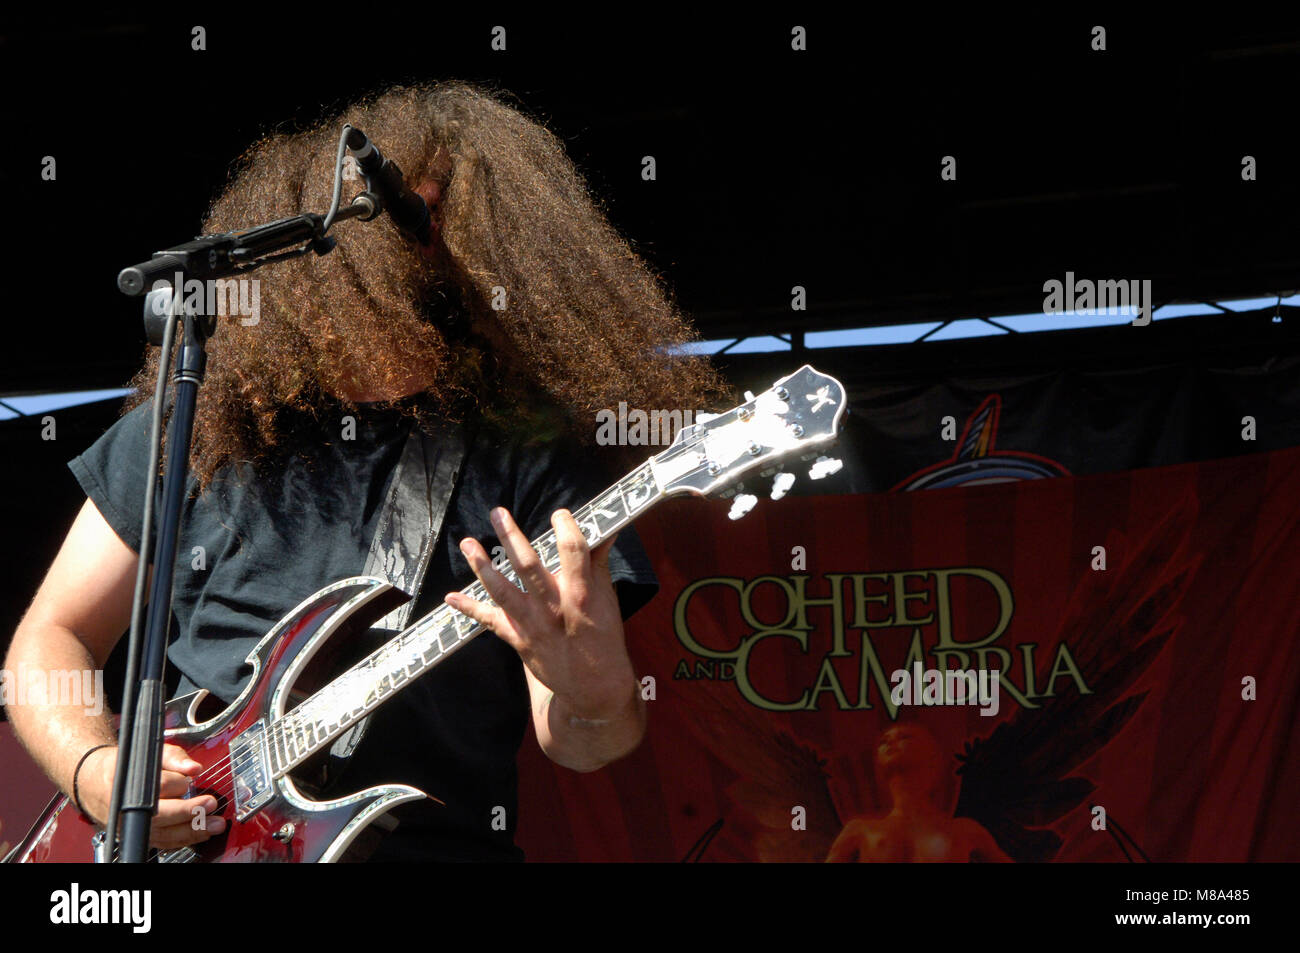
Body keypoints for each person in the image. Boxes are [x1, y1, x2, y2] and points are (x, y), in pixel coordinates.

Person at [3, 81, 724, 861]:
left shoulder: (531, 447)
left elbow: (584, 741)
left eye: (447, 223)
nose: (427, 245)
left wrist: (596, 690)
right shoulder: (204, 417)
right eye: (398, 216)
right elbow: (53, 635)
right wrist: (96, 771)